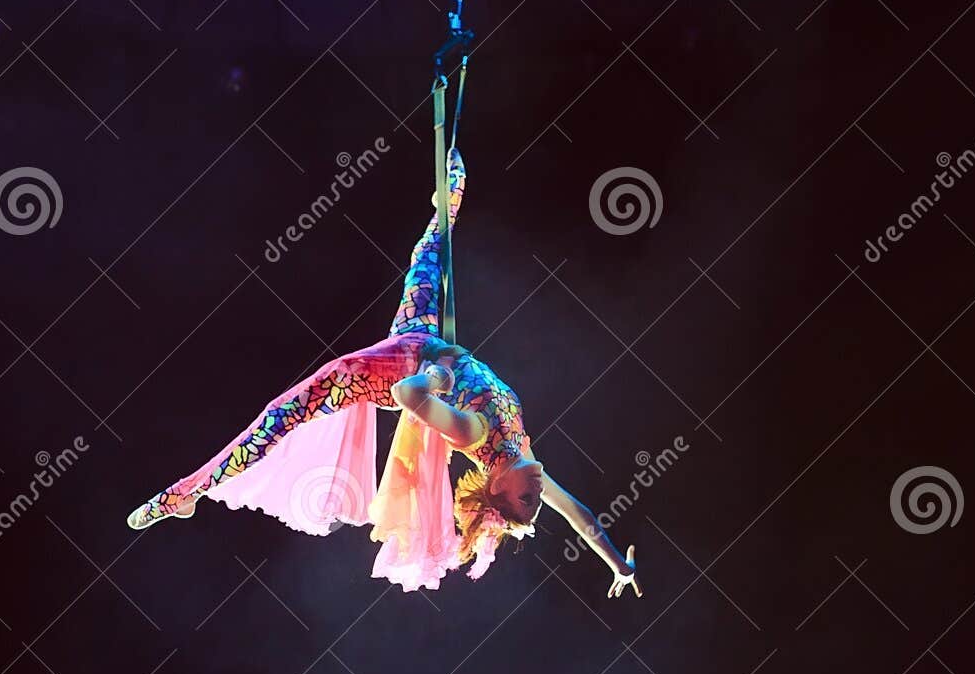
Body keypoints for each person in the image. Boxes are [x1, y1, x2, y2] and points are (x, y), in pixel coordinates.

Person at [126, 149, 642, 598]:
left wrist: (438, 379)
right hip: (419, 332)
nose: (537, 494)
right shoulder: (524, 454)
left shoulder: (474, 433)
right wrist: (618, 565)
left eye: (526, 501)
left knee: (285, 412)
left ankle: (185, 494)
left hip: (397, 365)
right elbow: (584, 518)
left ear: (497, 484)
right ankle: (450, 193)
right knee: (430, 251)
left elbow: (405, 392)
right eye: (537, 501)